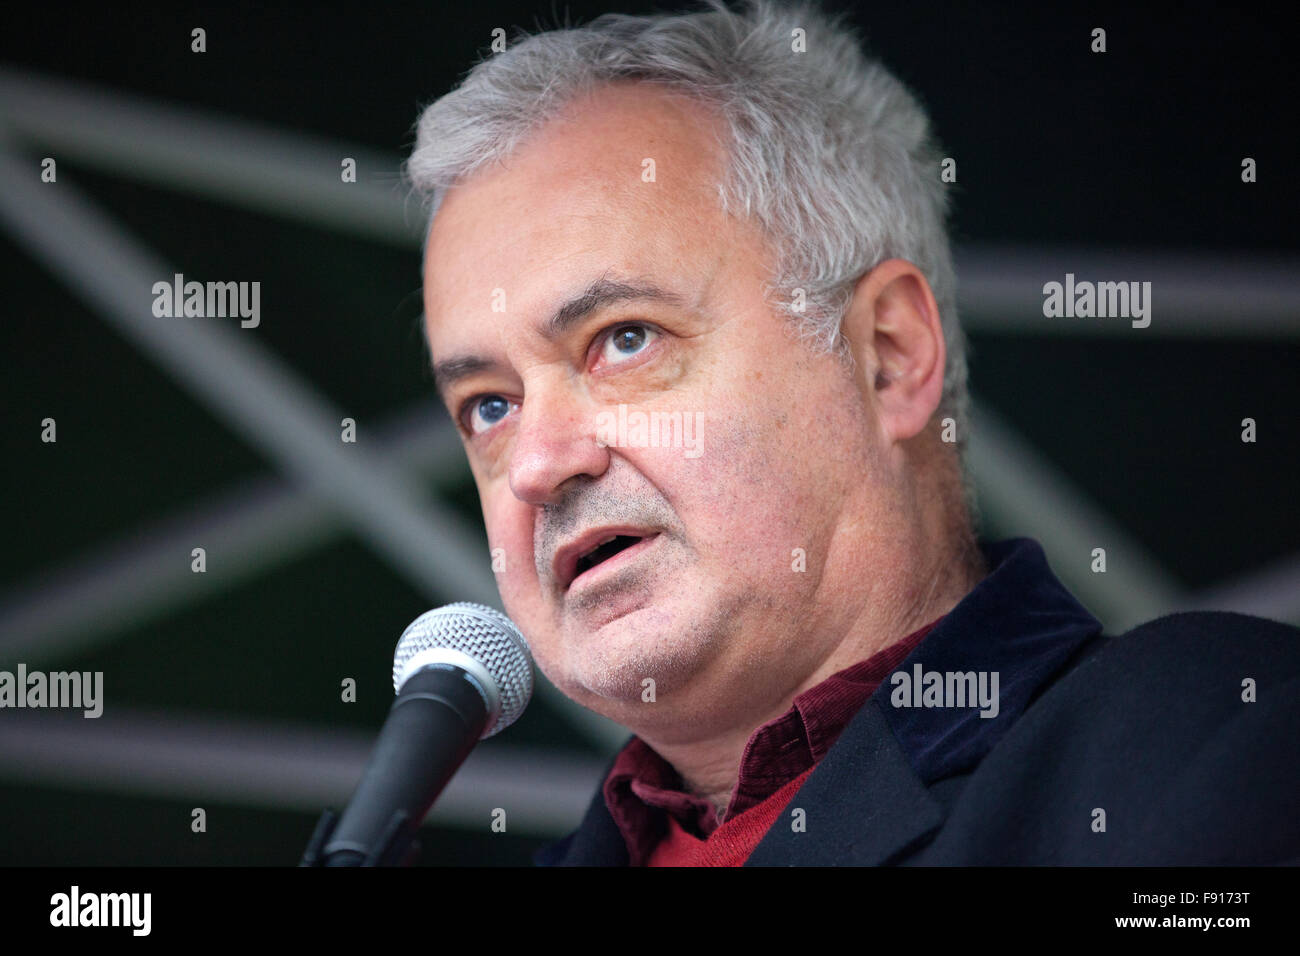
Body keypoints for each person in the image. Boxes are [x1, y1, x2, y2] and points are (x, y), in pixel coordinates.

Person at [403, 0, 1299, 865]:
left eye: (624, 339)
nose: (536, 464)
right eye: (489, 405)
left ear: (888, 356)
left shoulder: (1218, 740)